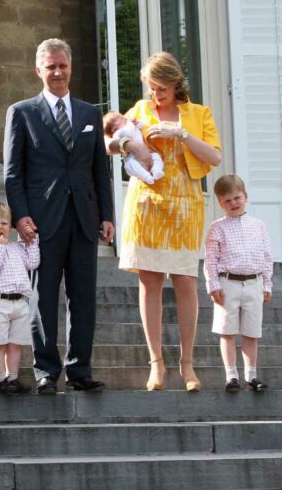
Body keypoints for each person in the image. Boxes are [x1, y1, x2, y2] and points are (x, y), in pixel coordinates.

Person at [3, 38, 114, 394]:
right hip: (42, 222)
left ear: (71, 67)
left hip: (84, 218)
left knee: (83, 298)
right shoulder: (22, 112)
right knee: (43, 298)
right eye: (50, 66)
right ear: (39, 70)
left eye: (62, 65)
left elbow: (101, 170)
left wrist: (107, 215)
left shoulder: (89, 114)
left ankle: (80, 369)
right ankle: (46, 370)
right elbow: (12, 173)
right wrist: (20, 217)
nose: (57, 72)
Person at [107, 51, 222, 392]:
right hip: (147, 205)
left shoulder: (199, 114)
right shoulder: (139, 111)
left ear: (176, 83)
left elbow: (215, 156)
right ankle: (156, 364)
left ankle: (188, 364)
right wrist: (123, 142)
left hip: (185, 205)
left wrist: (181, 134)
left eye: (162, 87)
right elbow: (108, 144)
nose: (156, 94)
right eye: (151, 87)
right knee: (150, 283)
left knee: (186, 282)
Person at [204, 175, 273, 392]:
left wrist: (267, 284)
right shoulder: (217, 228)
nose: (233, 203)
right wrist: (213, 284)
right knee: (228, 332)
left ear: (245, 197)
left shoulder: (259, 226)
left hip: (254, 283)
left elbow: (266, 256)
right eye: (227, 201)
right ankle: (231, 375)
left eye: (237, 198)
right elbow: (211, 259)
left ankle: (251, 376)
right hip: (228, 284)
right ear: (220, 203)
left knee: (252, 333)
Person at [0, 201, 40, 394]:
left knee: (15, 345)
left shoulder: (17, 249)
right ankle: (0, 379)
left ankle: (13, 378)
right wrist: (0, 248)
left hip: (20, 302)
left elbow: (33, 263)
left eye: (4, 223)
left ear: (11, 227)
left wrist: (32, 241)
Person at [102, 111, 164, 185]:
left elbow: (142, 125)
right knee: (132, 165)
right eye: (120, 119)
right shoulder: (119, 132)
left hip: (149, 153)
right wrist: (133, 146)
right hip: (132, 157)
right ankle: (147, 177)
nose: (124, 118)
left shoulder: (128, 123)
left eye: (122, 117)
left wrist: (137, 123)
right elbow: (107, 144)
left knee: (156, 156)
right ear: (114, 129)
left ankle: (156, 170)